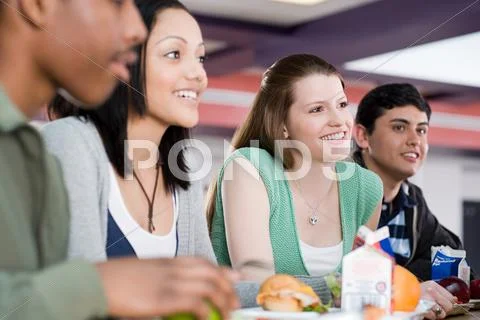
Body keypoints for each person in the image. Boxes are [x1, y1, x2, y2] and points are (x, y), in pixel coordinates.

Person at [0, 1, 238, 319]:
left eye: (201, 57)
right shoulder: (67, 143)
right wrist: (100, 287)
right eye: (173, 54)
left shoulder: (21, 149)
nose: (134, 30)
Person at [206, 53, 383, 283]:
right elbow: (254, 280)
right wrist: (339, 290)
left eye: (341, 104)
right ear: (282, 125)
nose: (339, 120)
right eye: (317, 109)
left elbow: (361, 285)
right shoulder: (249, 167)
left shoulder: (366, 188)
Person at [353, 83, 462, 318]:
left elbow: (451, 255)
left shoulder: (412, 199)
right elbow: (336, 276)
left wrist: (404, 280)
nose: (415, 140)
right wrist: (408, 286)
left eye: (422, 130)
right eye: (400, 127)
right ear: (363, 136)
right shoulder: (338, 190)